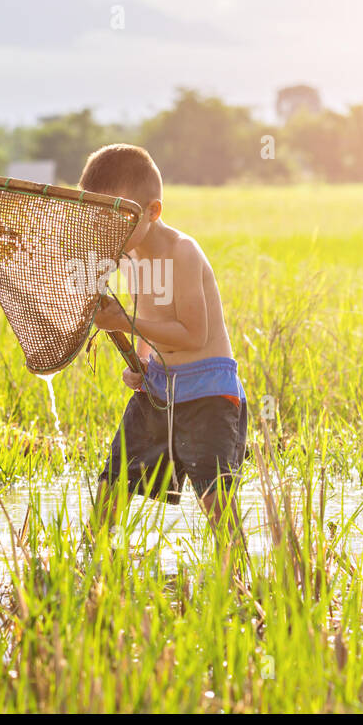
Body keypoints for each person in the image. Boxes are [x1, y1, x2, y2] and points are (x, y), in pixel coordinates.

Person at [82, 143, 247, 550]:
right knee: (111, 485)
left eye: (120, 219)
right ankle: (89, 568)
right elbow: (149, 320)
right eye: (103, 220)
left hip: (207, 393)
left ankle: (239, 577)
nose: (111, 232)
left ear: (153, 212)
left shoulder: (182, 252)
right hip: (158, 390)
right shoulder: (133, 255)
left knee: (215, 501)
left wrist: (122, 321)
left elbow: (192, 333)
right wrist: (139, 362)